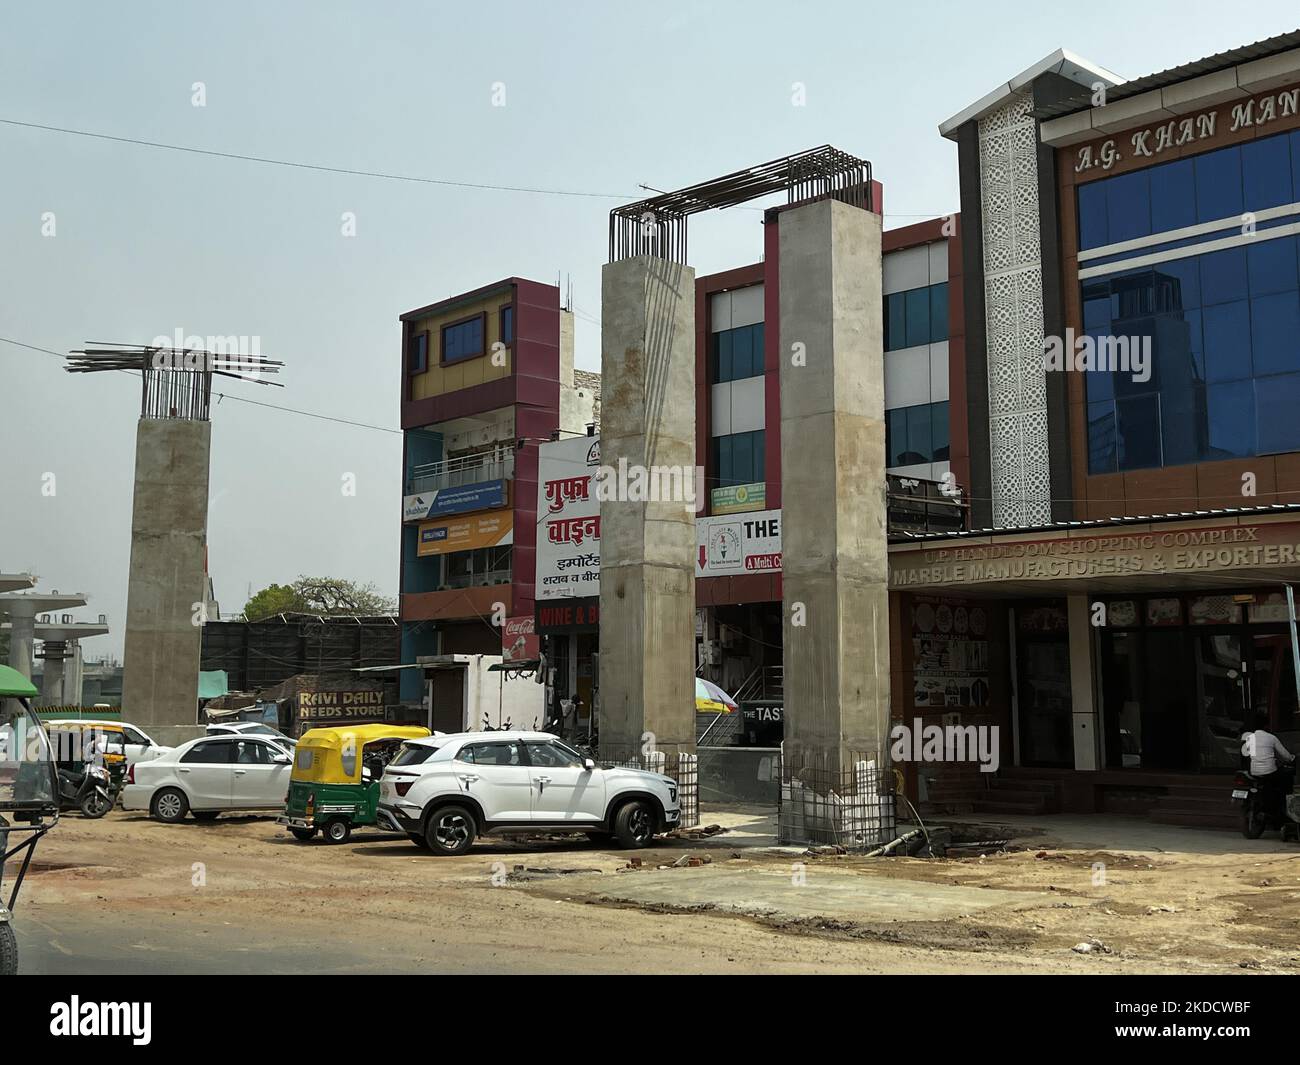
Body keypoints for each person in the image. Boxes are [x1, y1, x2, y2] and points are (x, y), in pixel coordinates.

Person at [1245, 712, 1294, 821]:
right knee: (1286, 777)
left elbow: (1251, 755)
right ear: (1266, 726)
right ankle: (1282, 809)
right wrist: (1292, 758)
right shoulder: (1271, 738)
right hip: (1269, 772)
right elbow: (1285, 755)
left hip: (1254, 772)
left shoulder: (1249, 738)